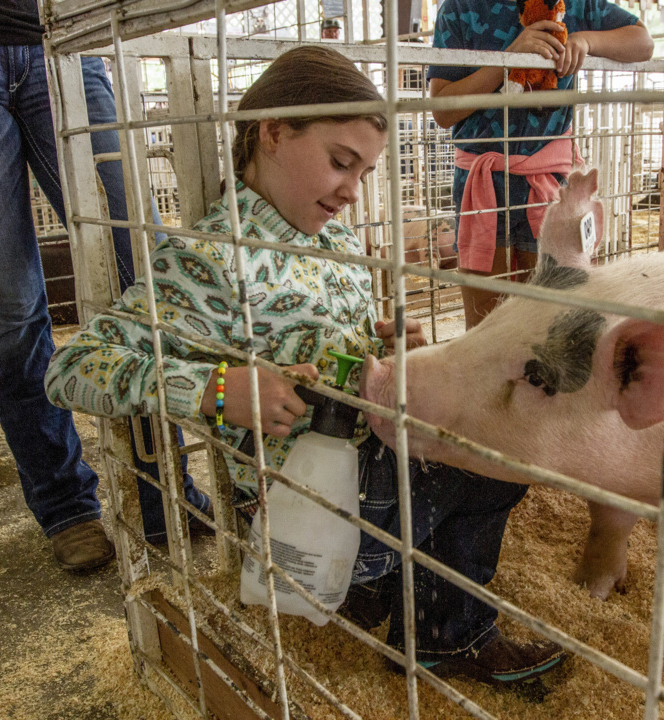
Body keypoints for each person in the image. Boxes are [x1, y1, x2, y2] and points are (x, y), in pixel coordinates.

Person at [44, 46, 567, 686]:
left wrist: (387, 346)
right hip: (303, 513)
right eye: (340, 163)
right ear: (272, 132)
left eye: (364, 172)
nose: (352, 190)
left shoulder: (334, 235)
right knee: (498, 454)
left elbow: (334, 345)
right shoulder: (209, 260)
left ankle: (377, 591)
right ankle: (447, 636)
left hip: (369, 461)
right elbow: (71, 367)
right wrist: (215, 389)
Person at [0, 0, 210, 571]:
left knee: (143, 274)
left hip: (65, 38)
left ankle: (160, 493)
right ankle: (66, 508)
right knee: (10, 307)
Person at [427, 0, 654, 329]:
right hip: (482, 184)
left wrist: (585, 41)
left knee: (548, 321)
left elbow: (643, 42)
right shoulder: (460, 8)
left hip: (549, 183)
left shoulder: (575, 5)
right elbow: (442, 110)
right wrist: (509, 60)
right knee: (484, 327)